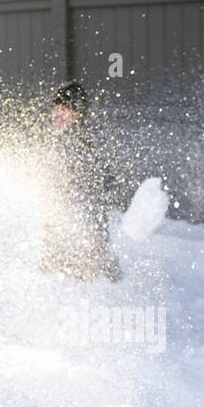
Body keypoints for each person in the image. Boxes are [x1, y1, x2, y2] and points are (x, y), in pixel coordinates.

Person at [40, 81, 123, 281]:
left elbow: (89, 183)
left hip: (80, 225)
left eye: (64, 110)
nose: (57, 115)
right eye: (56, 109)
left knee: (80, 274)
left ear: (77, 113)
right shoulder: (61, 137)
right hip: (70, 225)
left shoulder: (81, 139)